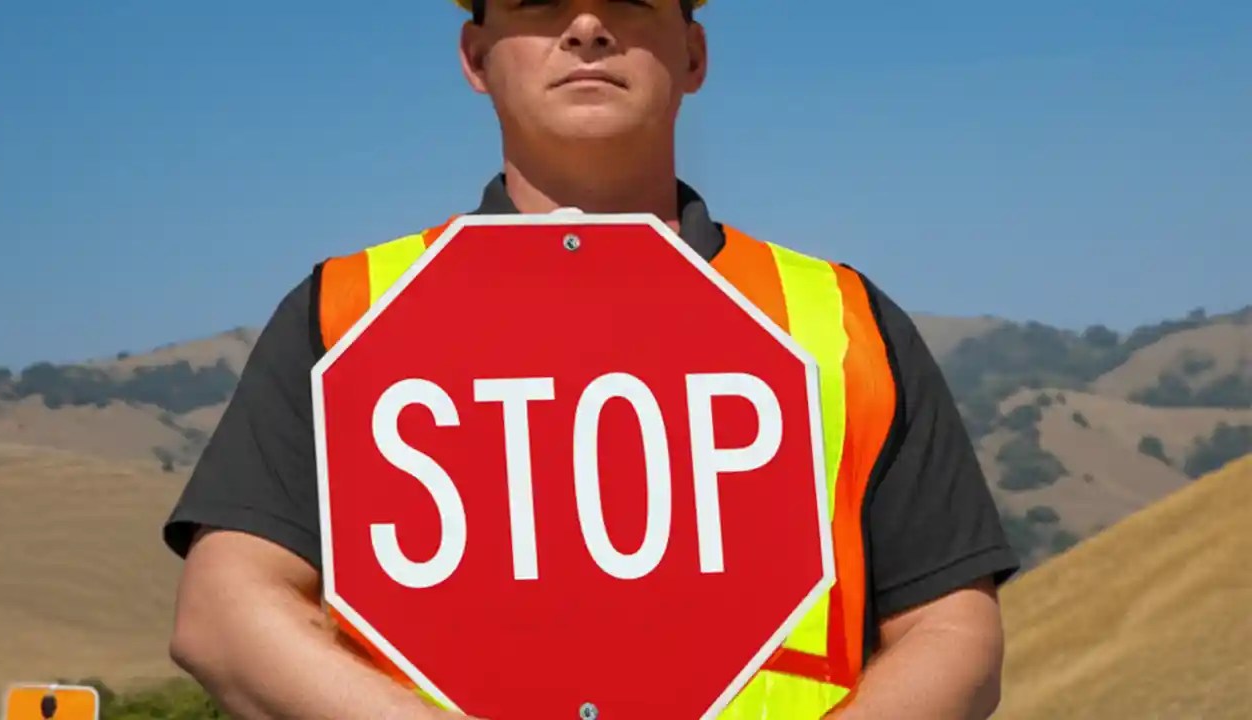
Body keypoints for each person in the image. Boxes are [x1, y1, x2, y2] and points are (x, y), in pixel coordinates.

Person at [163, 1, 1019, 718]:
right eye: (538, 2)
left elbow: (952, 629)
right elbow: (226, 610)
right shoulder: (348, 312)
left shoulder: (841, 321)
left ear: (693, 52)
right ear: (475, 55)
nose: (585, 27)